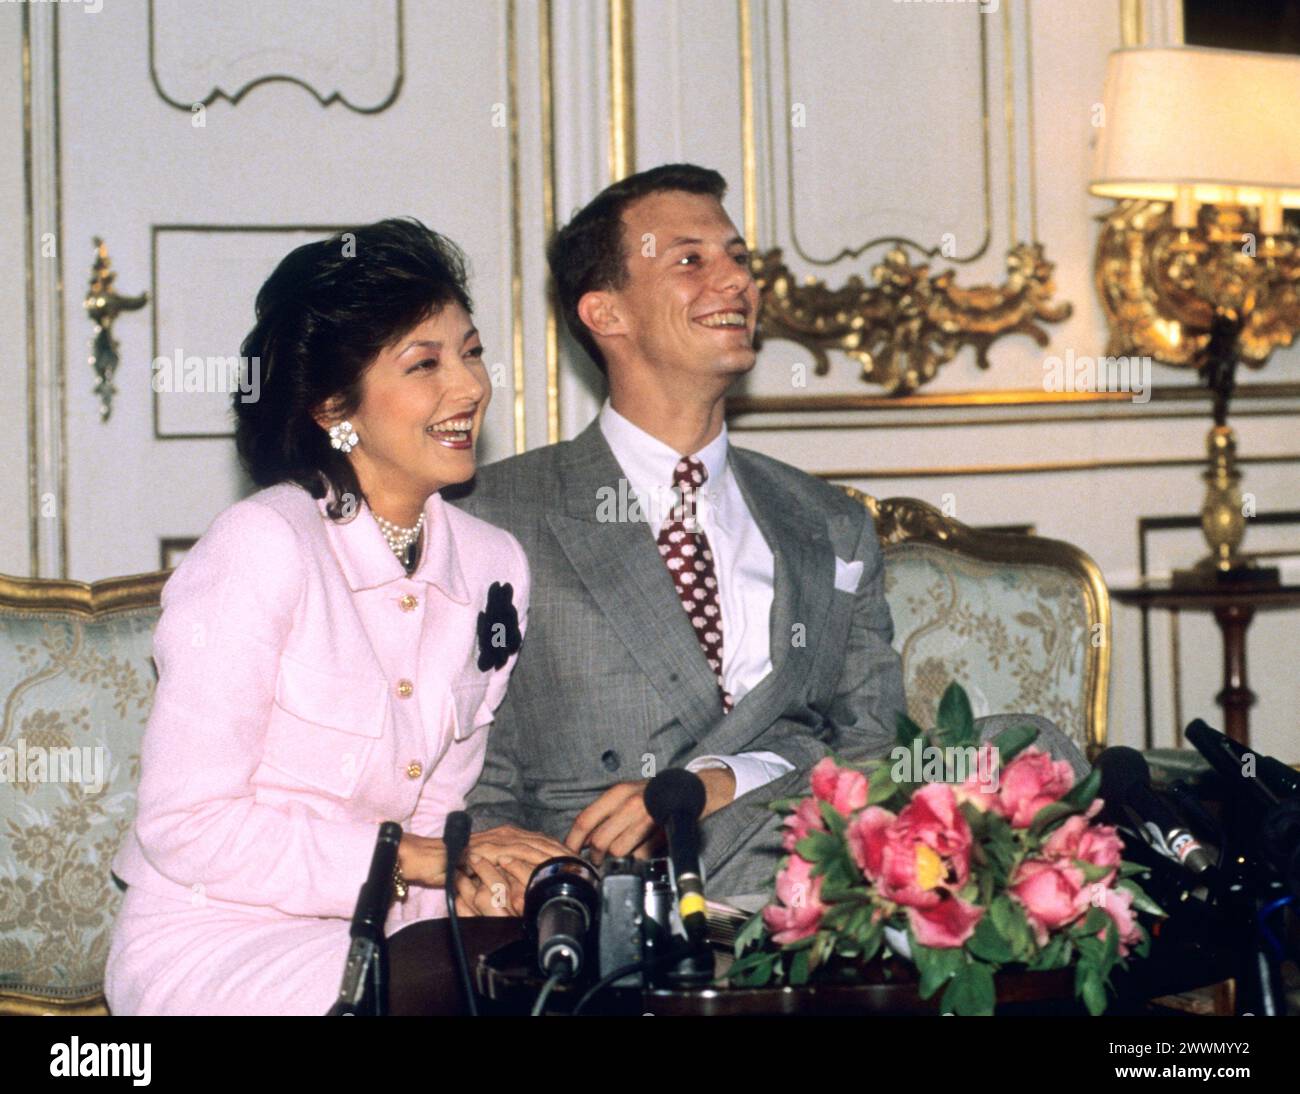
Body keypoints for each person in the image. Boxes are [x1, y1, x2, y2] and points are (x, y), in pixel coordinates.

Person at [447, 164, 1088, 904]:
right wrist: (490, 854)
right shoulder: (498, 513)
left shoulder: (824, 520)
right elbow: (469, 769)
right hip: (625, 883)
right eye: (691, 260)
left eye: (740, 259)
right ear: (606, 314)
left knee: (1031, 749)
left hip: (814, 841)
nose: (738, 283)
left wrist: (720, 779)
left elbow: (872, 742)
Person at [105, 219, 571, 1015]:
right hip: (217, 940)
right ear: (333, 409)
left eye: (471, 350)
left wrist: (477, 888)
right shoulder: (263, 546)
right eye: (424, 363)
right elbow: (187, 827)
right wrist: (419, 859)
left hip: (386, 935)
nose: (469, 387)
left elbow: (436, 811)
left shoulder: (495, 565)